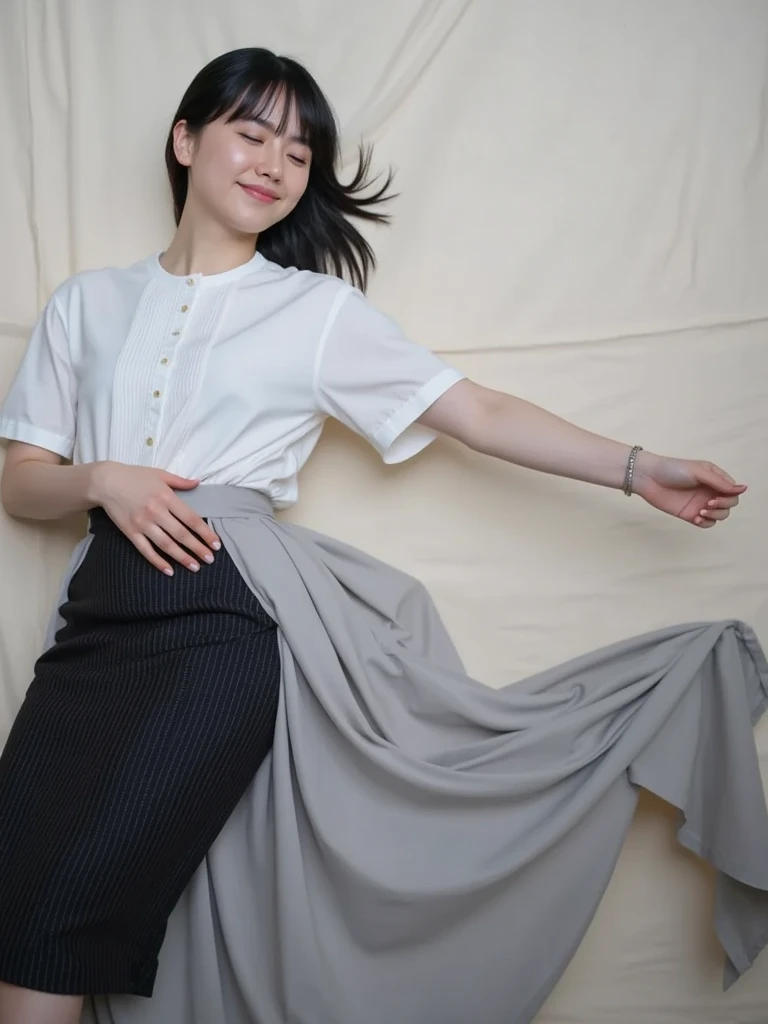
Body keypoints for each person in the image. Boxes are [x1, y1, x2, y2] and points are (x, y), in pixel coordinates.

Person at [0, 47, 764, 1024]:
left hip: (220, 627)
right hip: (90, 636)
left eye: (300, 149)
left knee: (63, 921)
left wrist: (634, 466)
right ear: (186, 140)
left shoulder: (315, 313)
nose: (276, 162)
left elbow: (477, 413)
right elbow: (23, 487)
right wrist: (103, 478)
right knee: (20, 904)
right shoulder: (83, 306)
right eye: (252, 131)